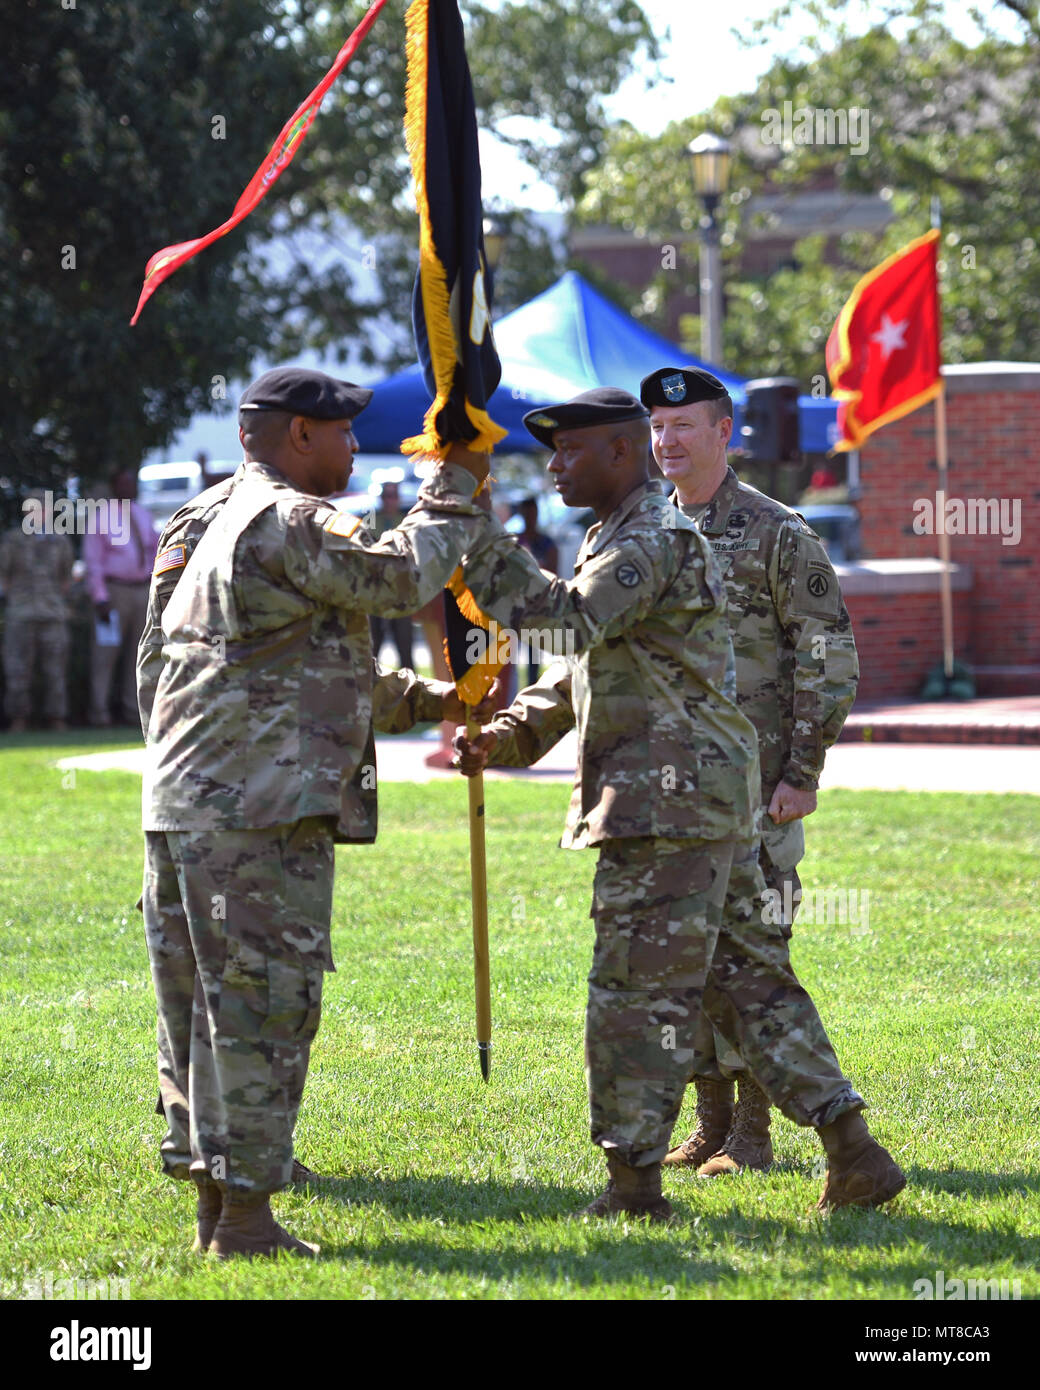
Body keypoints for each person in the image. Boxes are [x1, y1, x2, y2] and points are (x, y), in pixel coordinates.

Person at [453, 386, 903, 1222]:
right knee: (749, 981)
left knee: (631, 993)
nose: (554, 466)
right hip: (695, 797)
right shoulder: (620, 535)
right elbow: (579, 668)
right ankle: (855, 1152)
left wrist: (470, 535)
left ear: (617, 456)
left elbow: (562, 626)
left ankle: (634, 1187)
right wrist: (509, 734)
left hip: (669, 806)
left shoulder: (651, 537)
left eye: (571, 451)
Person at [141, 366, 494, 1259]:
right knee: (262, 1010)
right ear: (300, 435)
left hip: (187, 802)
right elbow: (402, 572)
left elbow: (247, 663)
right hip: (259, 812)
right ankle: (248, 1221)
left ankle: (217, 1210)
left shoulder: (205, 516)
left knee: (203, 1012)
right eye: (342, 432)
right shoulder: (293, 519)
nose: (351, 447)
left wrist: (432, 699)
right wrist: (455, 482)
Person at [640, 367, 860, 1179]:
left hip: (758, 788)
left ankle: (756, 1134)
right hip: (670, 792)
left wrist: (802, 771)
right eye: (657, 428)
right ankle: (711, 1121)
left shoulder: (776, 531)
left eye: (684, 426)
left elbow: (828, 655)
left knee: (757, 955)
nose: (667, 442)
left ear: (725, 431)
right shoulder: (646, 531)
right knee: (683, 957)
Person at [83, 467, 159, 726]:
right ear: (114, 487)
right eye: (123, 483)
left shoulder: (142, 515)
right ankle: (99, 712)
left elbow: (153, 549)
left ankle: (132, 711)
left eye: (131, 483)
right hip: (114, 592)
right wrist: (100, 597)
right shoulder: (101, 517)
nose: (128, 487)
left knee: (139, 653)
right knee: (106, 653)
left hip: (142, 590)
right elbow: (92, 561)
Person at [0, 492, 74, 731]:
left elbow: (66, 578)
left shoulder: (60, 541)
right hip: (20, 614)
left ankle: (56, 718)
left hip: (53, 614)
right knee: (17, 669)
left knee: (56, 670)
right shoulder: (12, 540)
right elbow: (4, 576)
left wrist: (55, 601)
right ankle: (18, 719)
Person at [368, 482, 415, 670]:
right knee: (372, 646)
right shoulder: (370, 518)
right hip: (374, 593)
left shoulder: (406, 521)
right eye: (386, 496)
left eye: (393, 496)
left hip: (399, 593)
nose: (389, 501)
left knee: (404, 645)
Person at [515, 496, 559, 687]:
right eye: (527, 513)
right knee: (507, 654)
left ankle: (532, 688)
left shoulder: (546, 543)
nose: (530, 517)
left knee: (534, 655)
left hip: (537, 605)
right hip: (516, 605)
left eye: (533, 513)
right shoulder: (515, 541)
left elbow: (552, 573)